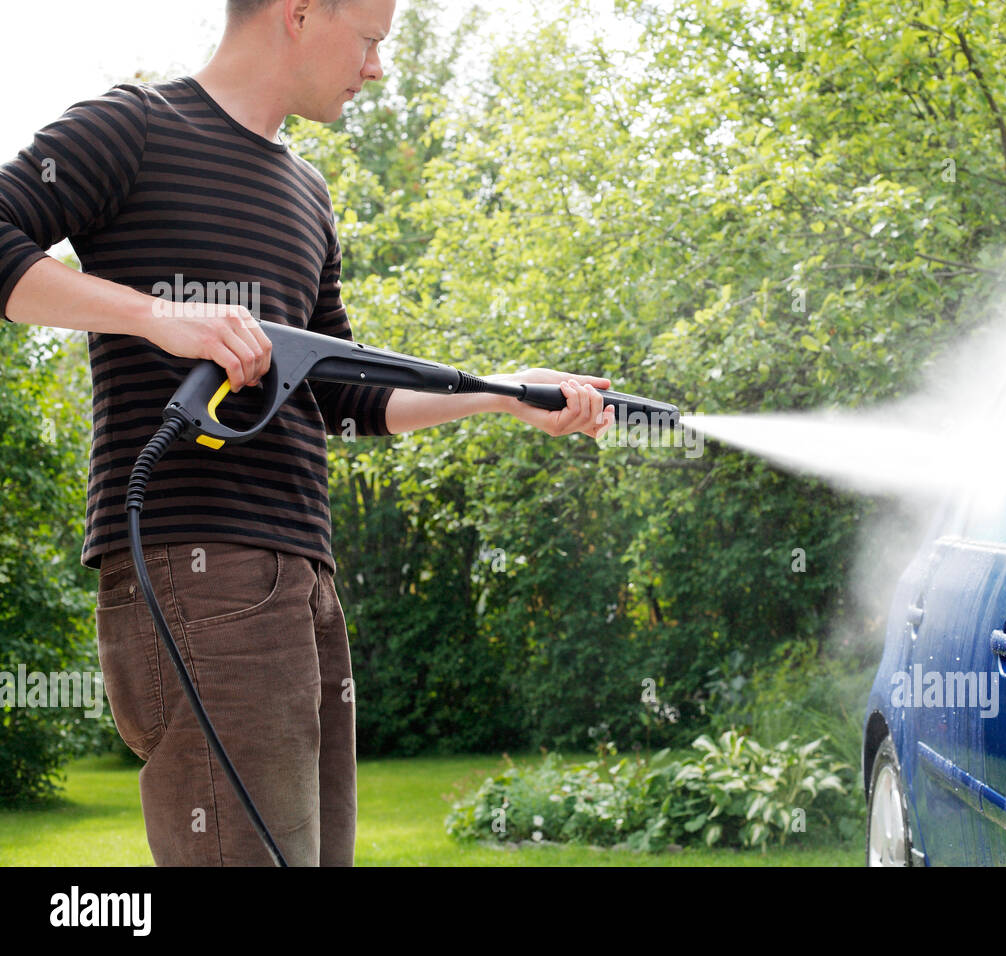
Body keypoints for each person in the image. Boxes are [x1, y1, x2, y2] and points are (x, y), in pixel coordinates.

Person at [0, 0, 614, 866]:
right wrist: (158, 317)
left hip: (304, 582)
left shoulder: (306, 192)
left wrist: (502, 393)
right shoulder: (132, 125)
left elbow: (342, 398)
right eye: (368, 40)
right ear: (297, 13)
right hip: (198, 568)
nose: (376, 68)